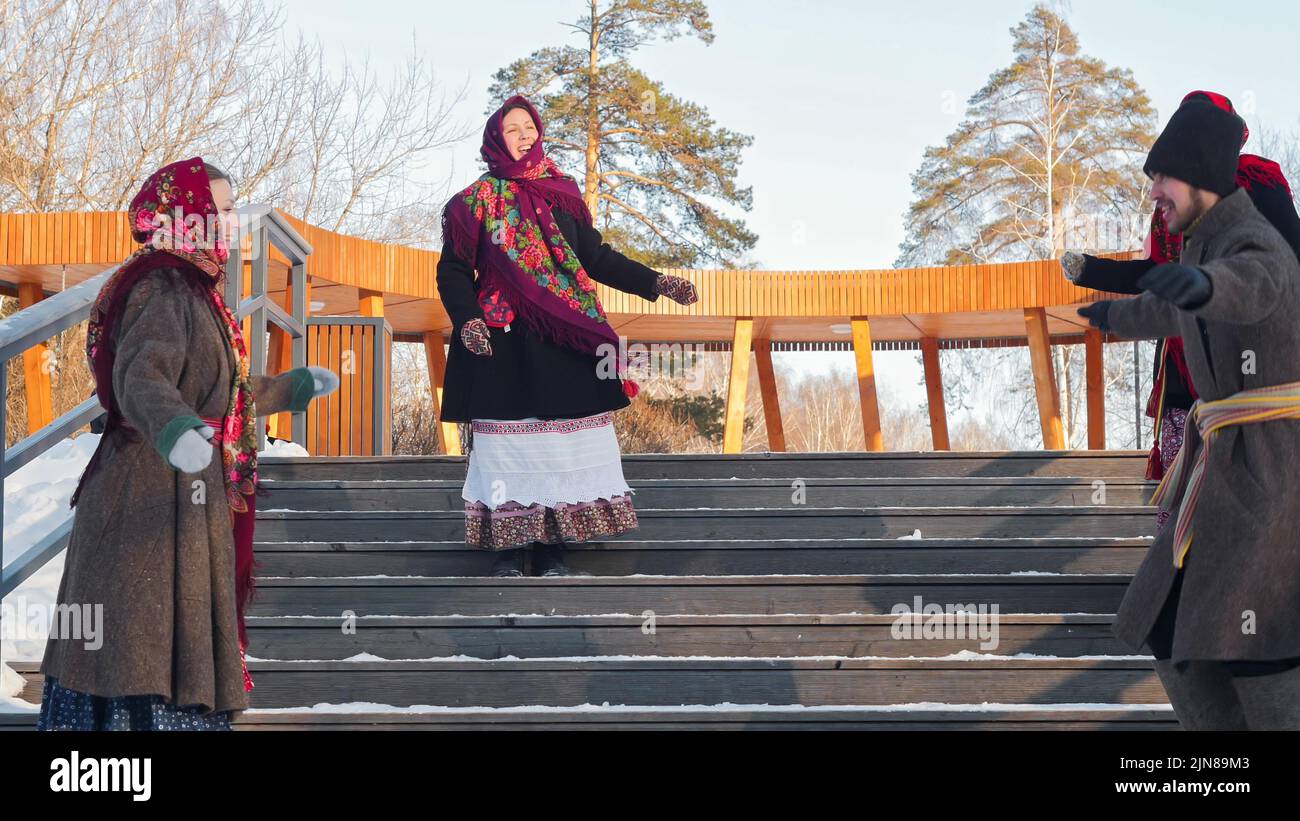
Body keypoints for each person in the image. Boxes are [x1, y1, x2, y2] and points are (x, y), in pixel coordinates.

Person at [37, 158, 339, 730]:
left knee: (170, 635)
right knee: (137, 638)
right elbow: (140, 376)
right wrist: (176, 431)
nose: (231, 220)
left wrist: (290, 388)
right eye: (222, 209)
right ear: (188, 211)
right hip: (144, 491)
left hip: (190, 486)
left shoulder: (199, 288)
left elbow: (218, 391)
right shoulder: (160, 283)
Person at [1076, 101, 1300, 729]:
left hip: (1272, 472)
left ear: (1199, 172)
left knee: (1261, 645)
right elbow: (1171, 306)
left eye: (1162, 176)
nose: (1153, 191)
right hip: (1226, 468)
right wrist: (1111, 313)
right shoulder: (1203, 241)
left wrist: (1202, 287)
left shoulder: (1252, 236)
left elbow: (1253, 281)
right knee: (1172, 631)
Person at [438, 95, 699, 577]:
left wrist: (655, 282)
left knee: (558, 442)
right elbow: (454, 270)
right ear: (496, 139)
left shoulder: (561, 194)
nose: (525, 135)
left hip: (563, 337)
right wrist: (469, 320)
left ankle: (553, 543)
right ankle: (510, 547)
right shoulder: (473, 203)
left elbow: (597, 259)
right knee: (507, 444)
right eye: (514, 128)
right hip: (502, 339)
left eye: (530, 127)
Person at [1062, 90, 1300, 523]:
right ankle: (1178, 566)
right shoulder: (1172, 204)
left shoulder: (1258, 183)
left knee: (1252, 484)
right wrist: (1091, 270)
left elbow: (1291, 256)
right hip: (1184, 357)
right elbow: (1153, 276)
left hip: (1248, 354)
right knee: (1184, 469)